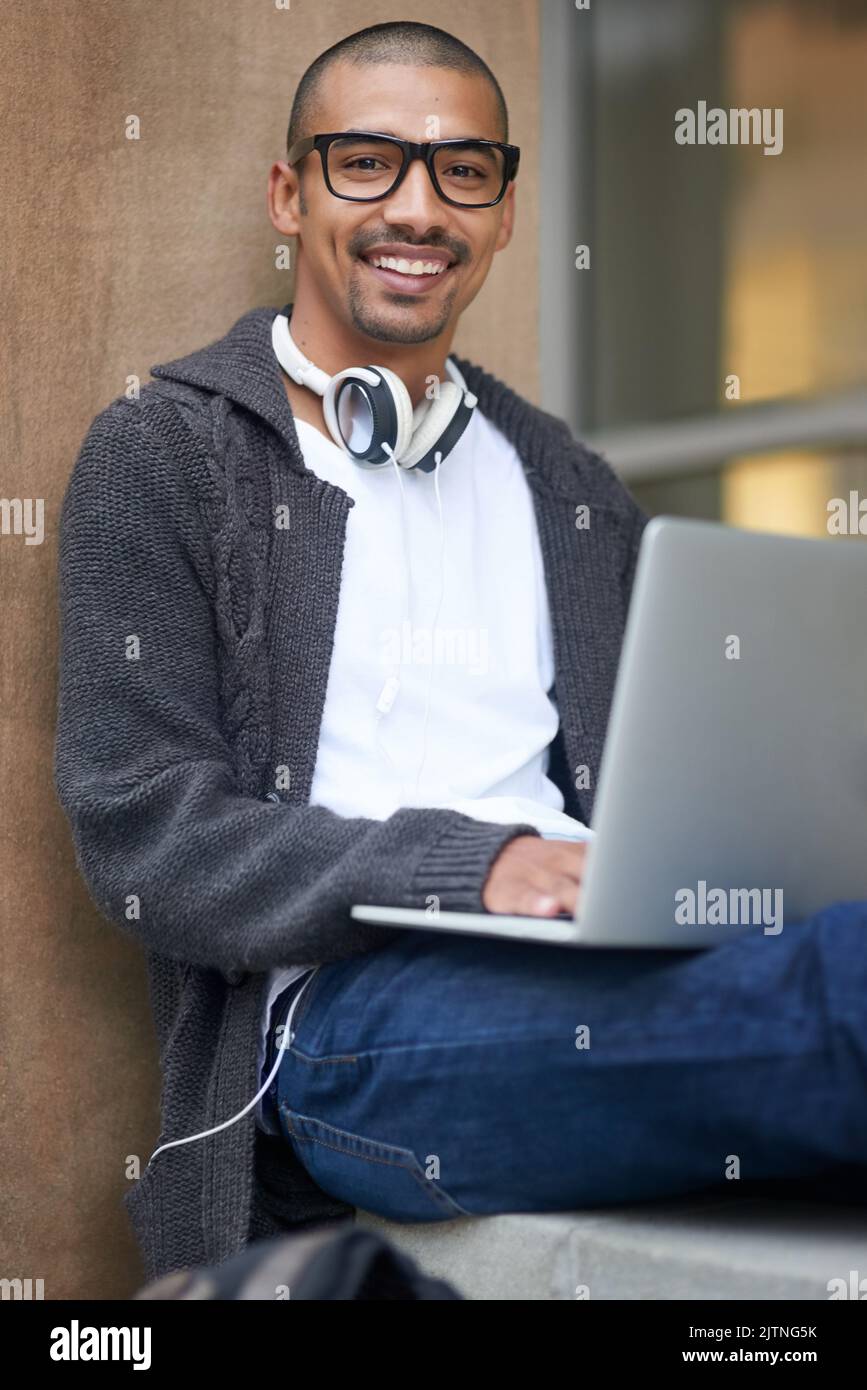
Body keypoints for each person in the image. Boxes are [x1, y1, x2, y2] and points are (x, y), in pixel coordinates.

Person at [54, 22, 867, 1285]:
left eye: (463, 172)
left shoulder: (567, 484)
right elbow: (145, 839)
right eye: (366, 162)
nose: (418, 208)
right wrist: (471, 864)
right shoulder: (162, 453)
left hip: (608, 956)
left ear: (502, 214)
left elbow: (693, 772)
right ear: (289, 195)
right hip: (345, 1024)